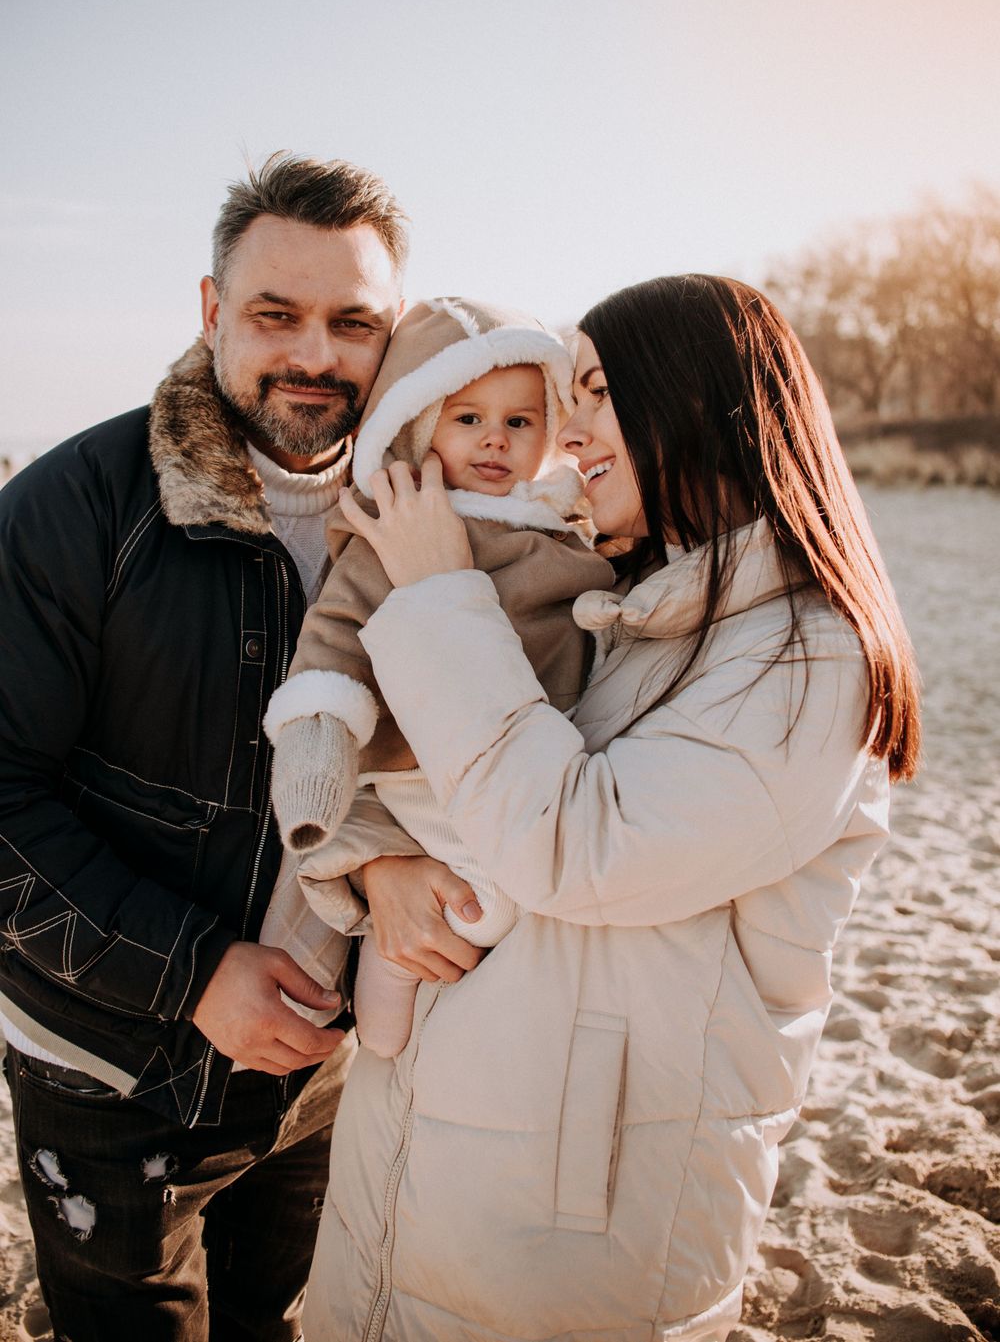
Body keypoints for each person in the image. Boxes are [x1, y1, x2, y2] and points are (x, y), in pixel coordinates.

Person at [296, 274, 921, 1342]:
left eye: (594, 392)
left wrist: (440, 589)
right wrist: (377, 864)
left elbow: (576, 846)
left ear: (693, 398)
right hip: (426, 1164)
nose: (566, 429)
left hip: (570, 1231)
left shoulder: (807, 658)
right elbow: (460, 774)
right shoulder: (633, 607)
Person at [0, 153, 483, 1342]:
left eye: (352, 322)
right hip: (108, 1065)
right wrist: (196, 973)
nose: (314, 354)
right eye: (276, 314)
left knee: (270, 1319)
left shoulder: (437, 518)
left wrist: (384, 857)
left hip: (324, 1066)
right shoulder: (74, 507)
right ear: (213, 309)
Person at [260, 297, 614, 1058]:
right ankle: (385, 988)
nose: (496, 438)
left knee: (517, 899)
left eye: (520, 421)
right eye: (468, 419)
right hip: (419, 761)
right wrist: (317, 742)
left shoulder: (560, 521)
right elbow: (334, 636)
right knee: (487, 902)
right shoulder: (398, 523)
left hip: (531, 751)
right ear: (418, 426)